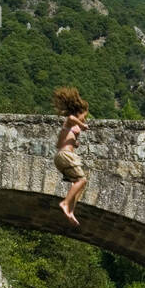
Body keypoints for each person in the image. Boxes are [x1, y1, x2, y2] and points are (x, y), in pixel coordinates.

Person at [52, 86, 89, 226]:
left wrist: (73, 142)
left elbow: (58, 144)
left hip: (61, 157)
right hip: (66, 156)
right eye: (84, 117)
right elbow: (71, 118)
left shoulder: (68, 129)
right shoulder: (70, 121)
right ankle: (65, 203)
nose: (84, 120)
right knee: (82, 180)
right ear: (79, 112)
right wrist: (82, 125)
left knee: (78, 184)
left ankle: (70, 211)